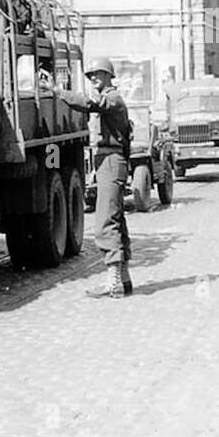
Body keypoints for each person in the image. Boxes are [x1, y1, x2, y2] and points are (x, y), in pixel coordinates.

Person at [73, 56, 134, 298]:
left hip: (111, 160)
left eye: (98, 73)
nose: (94, 78)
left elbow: (89, 103)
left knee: (105, 221)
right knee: (116, 218)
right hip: (107, 161)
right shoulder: (109, 98)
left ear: (109, 75)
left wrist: (58, 92)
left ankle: (114, 282)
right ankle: (124, 279)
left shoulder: (112, 98)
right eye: (90, 75)